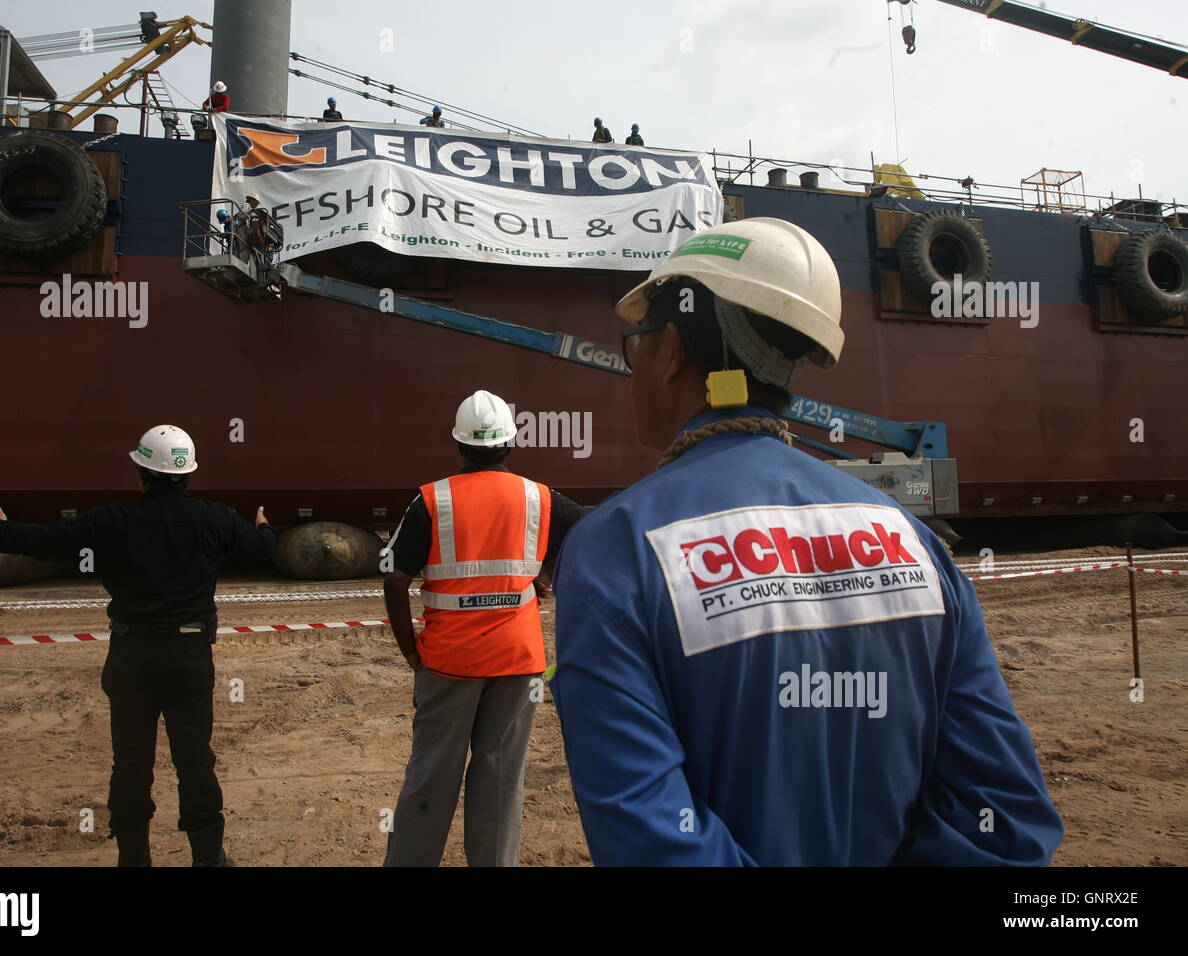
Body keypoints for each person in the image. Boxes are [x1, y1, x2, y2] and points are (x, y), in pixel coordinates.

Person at [551, 218, 1064, 866]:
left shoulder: (614, 551)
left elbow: (653, 841)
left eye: (635, 347)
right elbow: (1003, 821)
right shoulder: (910, 538)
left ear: (672, 349)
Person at [0, 425, 277, 867]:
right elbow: (259, 550)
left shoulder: (112, 521)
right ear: (188, 473)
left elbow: (46, 541)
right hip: (189, 656)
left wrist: (1, 530)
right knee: (195, 760)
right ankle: (209, 858)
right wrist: (265, 527)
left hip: (130, 656)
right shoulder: (214, 518)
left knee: (131, 764)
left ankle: (134, 859)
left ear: (140, 469)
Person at [382, 390, 588, 867]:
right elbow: (591, 531)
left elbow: (394, 577)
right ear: (510, 444)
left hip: (448, 661)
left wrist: (410, 650)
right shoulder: (541, 498)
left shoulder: (431, 500)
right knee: (500, 779)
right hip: (518, 661)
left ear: (459, 444)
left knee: (431, 774)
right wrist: (546, 573)